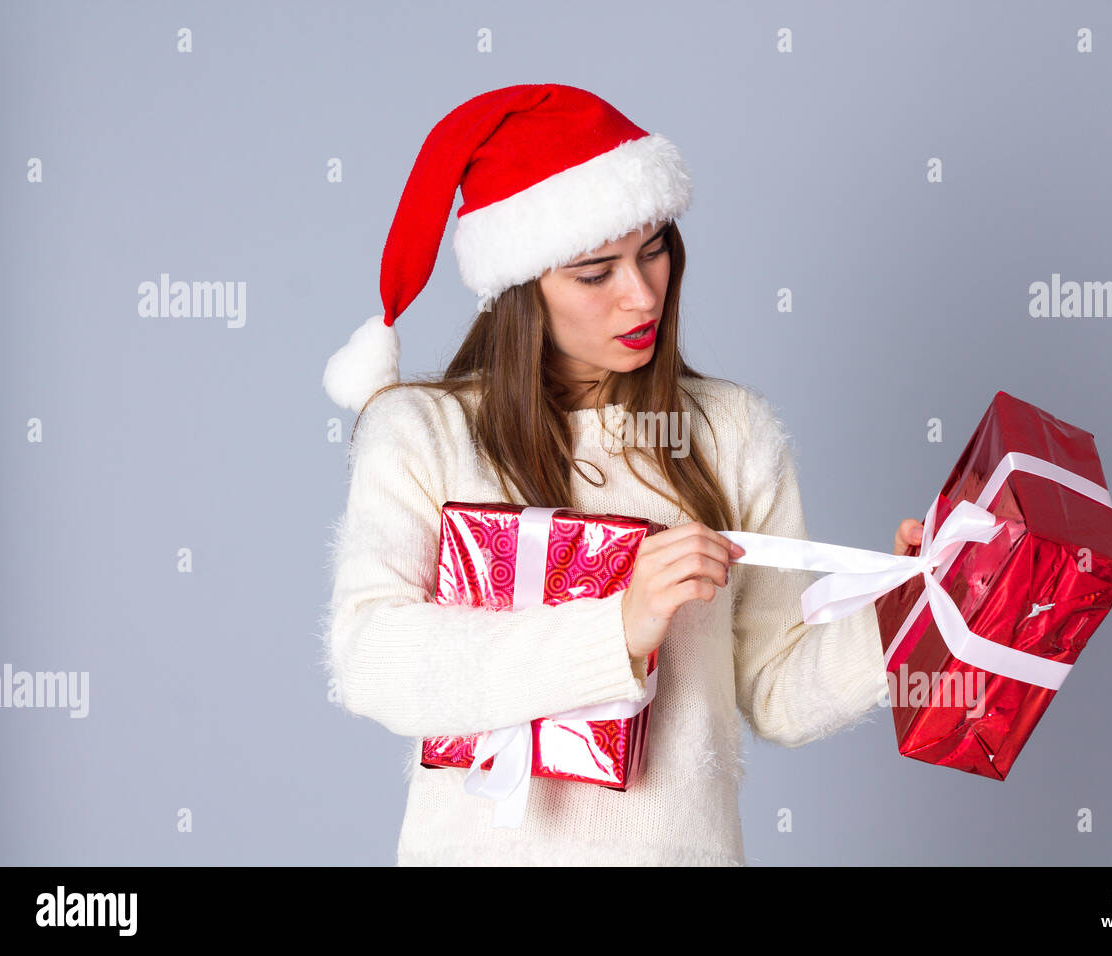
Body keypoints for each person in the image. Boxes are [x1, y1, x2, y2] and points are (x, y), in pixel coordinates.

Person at [318, 83, 924, 866]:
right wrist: (615, 630)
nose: (641, 294)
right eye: (594, 272)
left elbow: (777, 691)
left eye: (655, 249)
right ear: (520, 288)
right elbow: (373, 660)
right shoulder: (424, 432)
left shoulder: (730, 431)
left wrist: (911, 613)